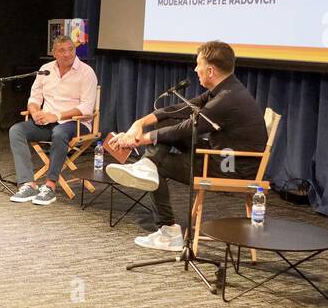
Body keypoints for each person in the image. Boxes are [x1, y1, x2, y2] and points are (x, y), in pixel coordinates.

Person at [106, 40, 269, 251]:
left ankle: (168, 231)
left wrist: (138, 140)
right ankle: (147, 165)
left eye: (198, 64)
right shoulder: (226, 88)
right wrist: (139, 124)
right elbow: (179, 110)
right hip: (221, 156)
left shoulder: (227, 99)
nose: (195, 69)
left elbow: (186, 129)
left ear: (210, 70)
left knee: (158, 165)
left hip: (230, 168)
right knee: (167, 123)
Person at [7, 35, 98, 206]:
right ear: (54, 53)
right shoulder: (45, 70)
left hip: (76, 123)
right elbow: (34, 98)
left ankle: (50, 186)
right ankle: (28, 183)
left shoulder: (86, 72)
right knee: (16, 130)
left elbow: (86, 108)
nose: (67, 54)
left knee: (59, 132)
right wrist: (35, 113)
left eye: (71, 49)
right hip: (47, 122)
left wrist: (56, 116)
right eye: (62, 50)